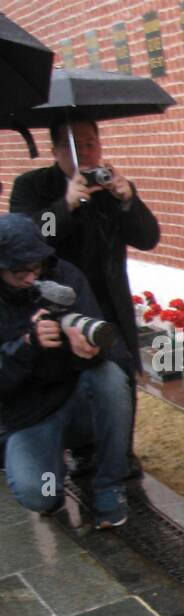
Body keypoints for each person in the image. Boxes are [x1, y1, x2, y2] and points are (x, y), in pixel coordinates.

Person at [8, 116, 160, 479]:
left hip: (109, 298)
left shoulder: (110, 185)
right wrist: (66, 204)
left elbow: (148, 238)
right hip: (59, 301)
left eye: (92, 143)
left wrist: (128, 201)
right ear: (56, 150)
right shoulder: (32, 186)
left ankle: (120, 451)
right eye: (76, 145)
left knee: (118, 371)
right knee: (73, 372)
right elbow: (28, 242)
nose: (87, 152)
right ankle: (82, 447)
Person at [0, 213, 134, 528]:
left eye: (36, 267)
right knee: (41, 495)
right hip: (29, 416)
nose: (31, 277)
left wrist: (87, 348)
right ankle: (50, 470)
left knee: (112, 377)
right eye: (20, 270)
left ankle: (110, 484)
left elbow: (110, 347)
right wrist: (26, 345)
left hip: (77, 401)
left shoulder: (64, 275)